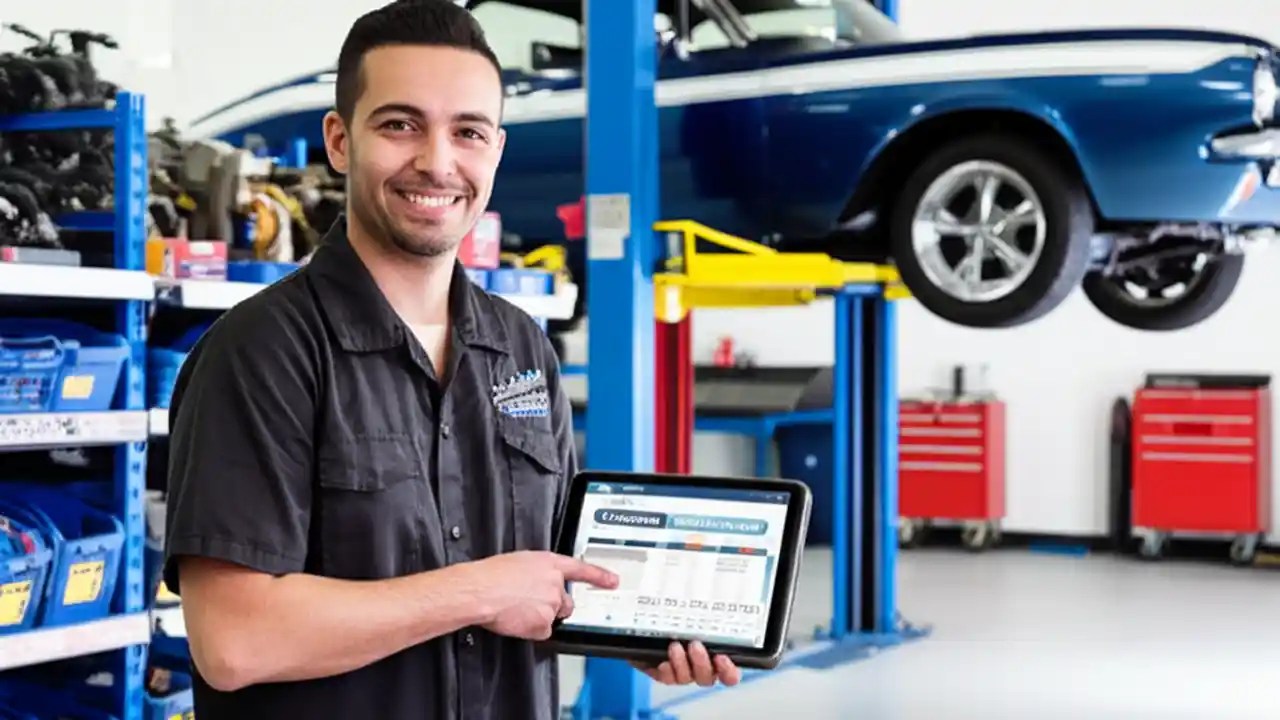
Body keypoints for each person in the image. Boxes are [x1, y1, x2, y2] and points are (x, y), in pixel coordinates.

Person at [161, 1, 741, 718]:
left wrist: (641, 626)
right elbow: (235, 640)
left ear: (494, 150)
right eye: (400, 125)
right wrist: (479, 591)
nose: (437, 162)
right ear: (340, 141)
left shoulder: (522, 349)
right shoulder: (261, 353)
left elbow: (542, 581)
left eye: (467, 132)